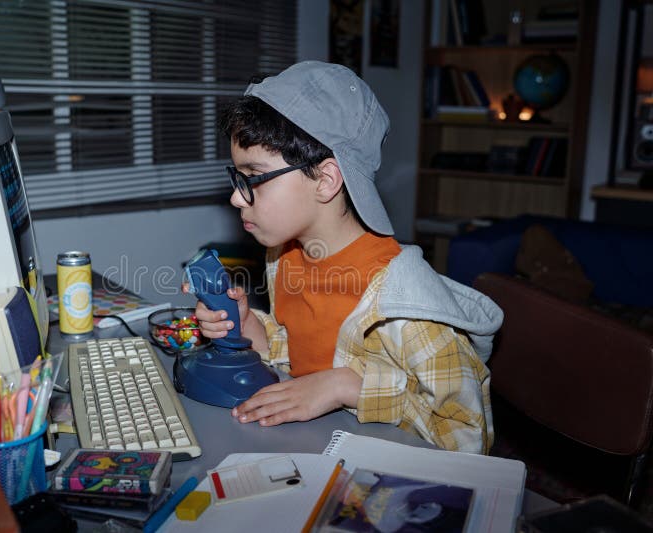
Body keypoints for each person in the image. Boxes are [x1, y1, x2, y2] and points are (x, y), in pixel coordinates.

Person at [194, 61, 502, 454]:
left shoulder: (407, 308)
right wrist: (249, 326)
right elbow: (303, 354)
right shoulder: (284, 256)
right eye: (236, 177)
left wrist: (349, 387)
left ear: (325, 181)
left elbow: (468, 437)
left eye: (252, 178)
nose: (237, 197)